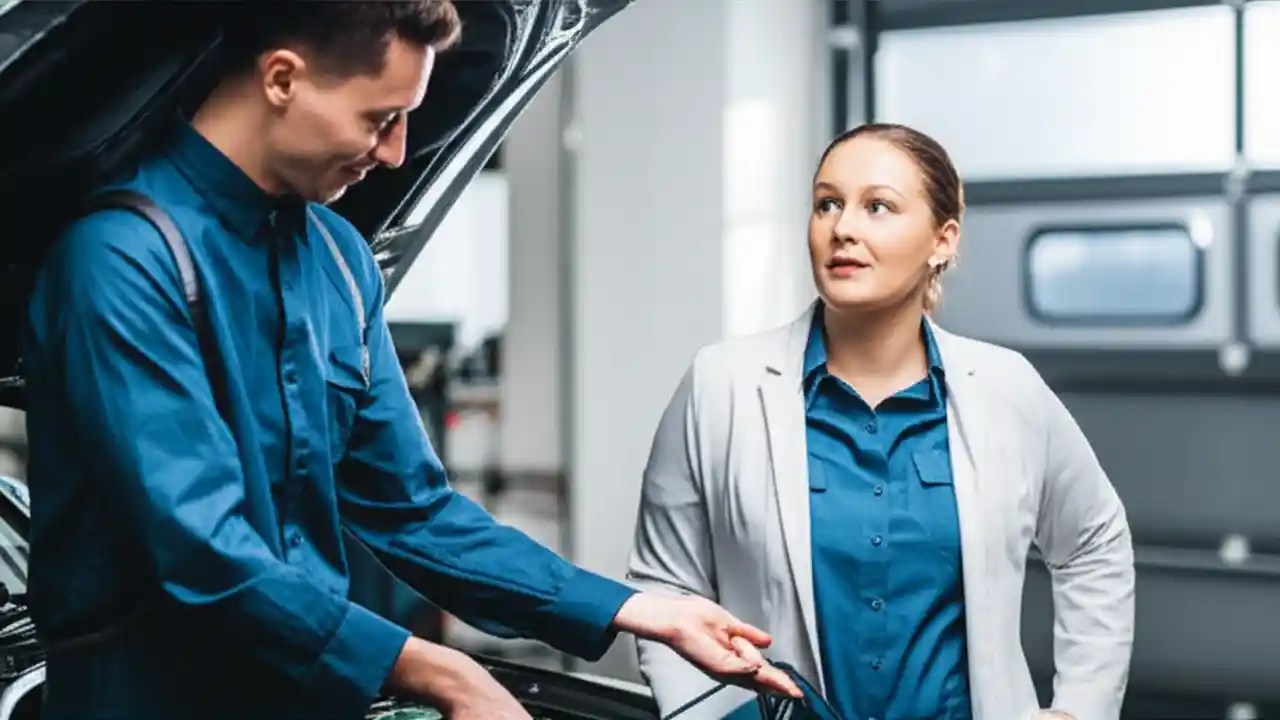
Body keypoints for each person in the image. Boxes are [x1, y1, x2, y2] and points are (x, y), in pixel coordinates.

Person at [20, 3, 801, 718]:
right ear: (283, 79)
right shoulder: (119, 259)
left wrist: (638, 611)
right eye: (380, 118)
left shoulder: (338, 261)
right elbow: (202, 554)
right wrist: (443, 670)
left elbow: (414, 509)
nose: (394, 155)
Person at [627, 122, 1136, 720]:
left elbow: (1093, 543)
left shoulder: (1006, 388)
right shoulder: (720, 384)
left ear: (942, 241)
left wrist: (1080, 709)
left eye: (878, 207)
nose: (843, 228)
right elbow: (664, 586)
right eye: (827, 204)